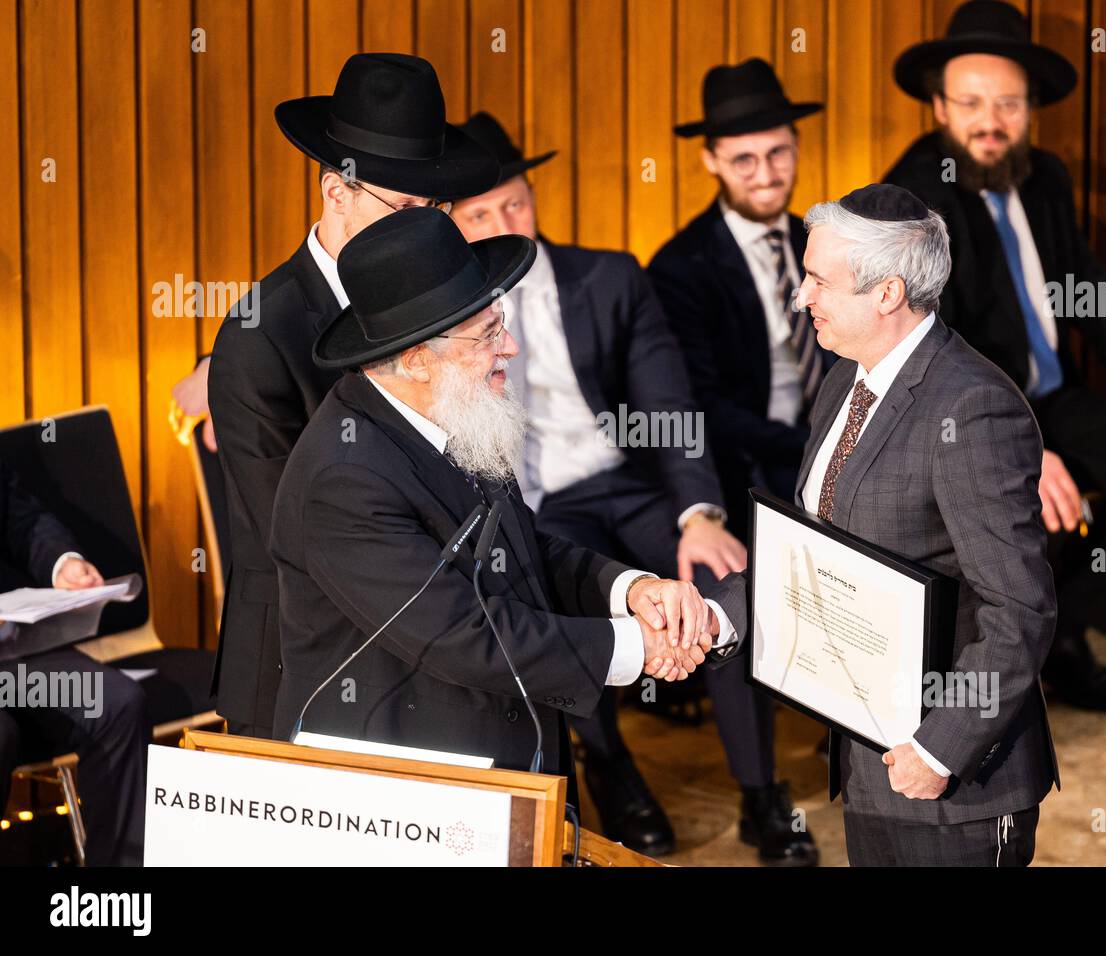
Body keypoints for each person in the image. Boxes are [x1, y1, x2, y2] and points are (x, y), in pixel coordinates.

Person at [448, 112, 815, 864]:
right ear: (453, 220)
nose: (501, 222)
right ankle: (612, 767)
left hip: (629, 482)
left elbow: (668, 404)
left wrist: (698, 514)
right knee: (547, 598)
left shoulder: (608, 275)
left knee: (724, 577)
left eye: (513, 203)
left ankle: (760, 790)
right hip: (539, 511)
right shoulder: (446, 311)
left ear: (532, 193)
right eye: (479, 214)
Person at [271, 207, 715, 789]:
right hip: (400, 785)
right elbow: (462, 635)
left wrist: (630, 590)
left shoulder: (460, 412)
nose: (510, 347)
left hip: (505, 748)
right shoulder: (343, 478)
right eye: (487, 334)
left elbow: (525, 550)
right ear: (416, 359)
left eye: (500, 323)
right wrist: (637, 645)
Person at [884, 0, 1106, 711]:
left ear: (1030, 107)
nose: (990, 120)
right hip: (961, 415)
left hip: (1053, 398)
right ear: (939, 106)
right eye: (971, 102)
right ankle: (994, 672)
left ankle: (1061, 638)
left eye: (1007, 102)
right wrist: (1024, 448)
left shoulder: (1045, 178)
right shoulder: (917, 196)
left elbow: (1093, 297)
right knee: (1024, 505)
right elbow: (938, 348)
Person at [707, 184, 1059, 866]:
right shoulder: (847, 377)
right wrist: (719, 616)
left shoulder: (976, 409)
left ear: (887, 293)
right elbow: (812, 546)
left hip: (957, 784)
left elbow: (1021, 607)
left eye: (818, 281)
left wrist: (941, 746)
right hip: (868, 761)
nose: (802, 297)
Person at [206, 53, 500, 737]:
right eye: (402, 207)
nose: (424, 226)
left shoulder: (439, 303)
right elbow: (305, 529)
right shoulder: (260, 336)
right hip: (307, 670)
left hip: (433, 636)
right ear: (335, 192)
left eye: (436, 208)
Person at [648, 58, 834, 544]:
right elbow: (703, 405)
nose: (766, 175)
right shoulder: (681, 265)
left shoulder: (821, 238)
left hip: (842, 447)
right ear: (711, 160)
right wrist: (809, 444)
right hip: (750, 471)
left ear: (797, 147)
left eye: (778, 154)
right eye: (743, 161)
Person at [0, 460, 149, 865]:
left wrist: (62, 563)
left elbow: (17, 514)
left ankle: (113, 907)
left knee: (116, 704)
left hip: (11, 656)